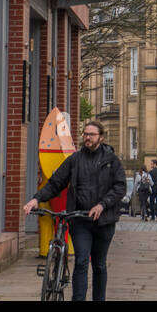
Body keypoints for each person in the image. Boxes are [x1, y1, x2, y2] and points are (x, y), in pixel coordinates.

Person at [23, 120, 126, 301]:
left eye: (91, 134)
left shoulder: (112, 161)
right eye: (85, 134)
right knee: (81, 261)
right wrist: (36, 199)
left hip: (104, 221)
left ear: (100, 137)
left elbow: (119, 188)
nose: (87, 137)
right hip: (80, 220)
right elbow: (56, 183)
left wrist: (102, 205)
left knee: (100, 265)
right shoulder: (75, 160)